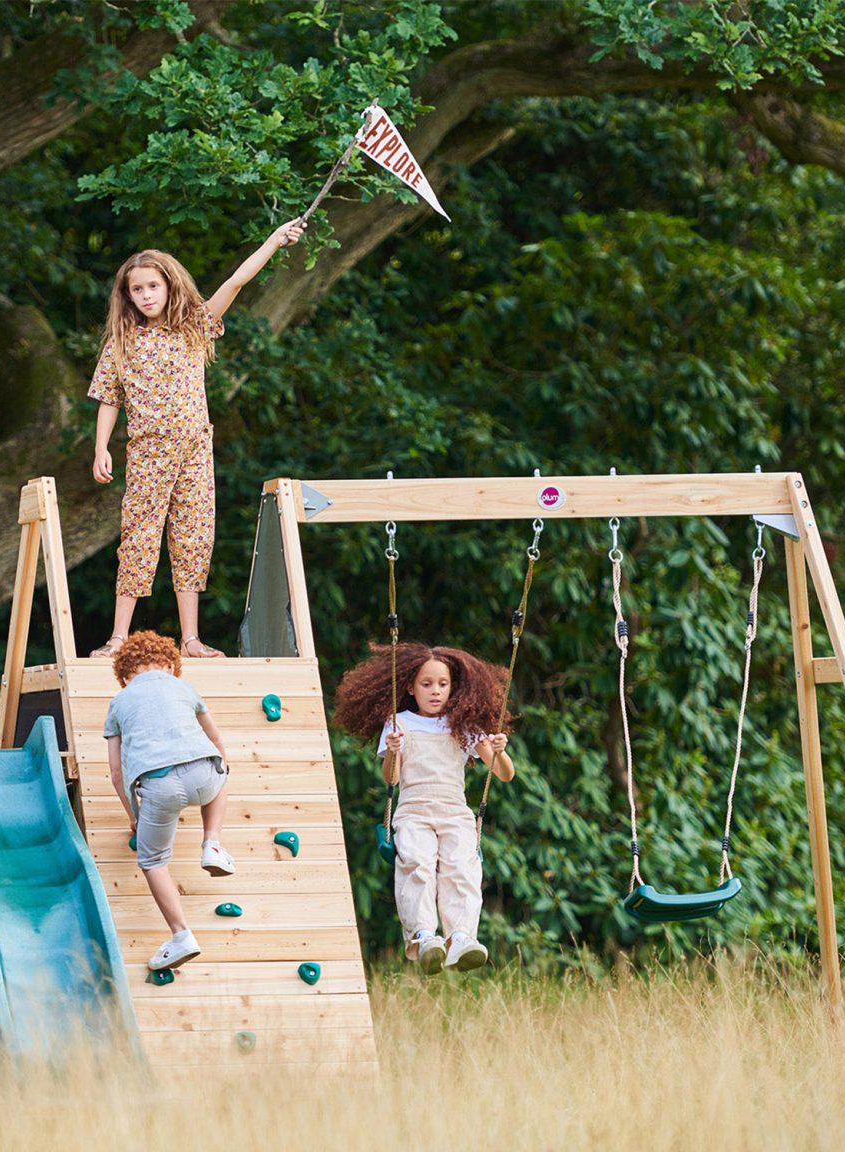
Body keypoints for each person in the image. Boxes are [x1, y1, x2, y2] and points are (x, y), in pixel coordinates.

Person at [87, 219, 306, 659]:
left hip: (194, 448)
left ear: (169, 287)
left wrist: (274, 240)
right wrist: (101, 448)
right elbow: (108, 398)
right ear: (127, 296)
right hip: (149, 450)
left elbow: (237, 281)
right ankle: (117, 637)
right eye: (137, 289)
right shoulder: (123, 342)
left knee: (194, 535)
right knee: (139, 537)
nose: (146, 295)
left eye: (153, 286)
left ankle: (190, 639)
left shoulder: (193, 326)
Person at [334, 642, 515, 973]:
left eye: (443, 684)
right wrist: (392, 752)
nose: (435, 692)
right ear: (410, 688)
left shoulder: (465, 725)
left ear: (452, 687)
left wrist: (500, 750)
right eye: (426, 684)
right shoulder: (398, 723)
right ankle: (422, 935)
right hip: (414, 811)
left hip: (455, 812)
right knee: (416, 864)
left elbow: (503, 774)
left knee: (461, 867)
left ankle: (461, 938)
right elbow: (391, 779)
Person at [103, 631, 235, 971]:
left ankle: (181, 936)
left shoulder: (119, 701)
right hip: (204, 776)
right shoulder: (183, 687)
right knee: (220, 771)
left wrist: (134, 813)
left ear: (126, 675)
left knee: (153, 861)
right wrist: (221, 767)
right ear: (168, 664)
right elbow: (217, 742)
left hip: (159, 786)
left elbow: (116, 774)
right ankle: (213, 843)